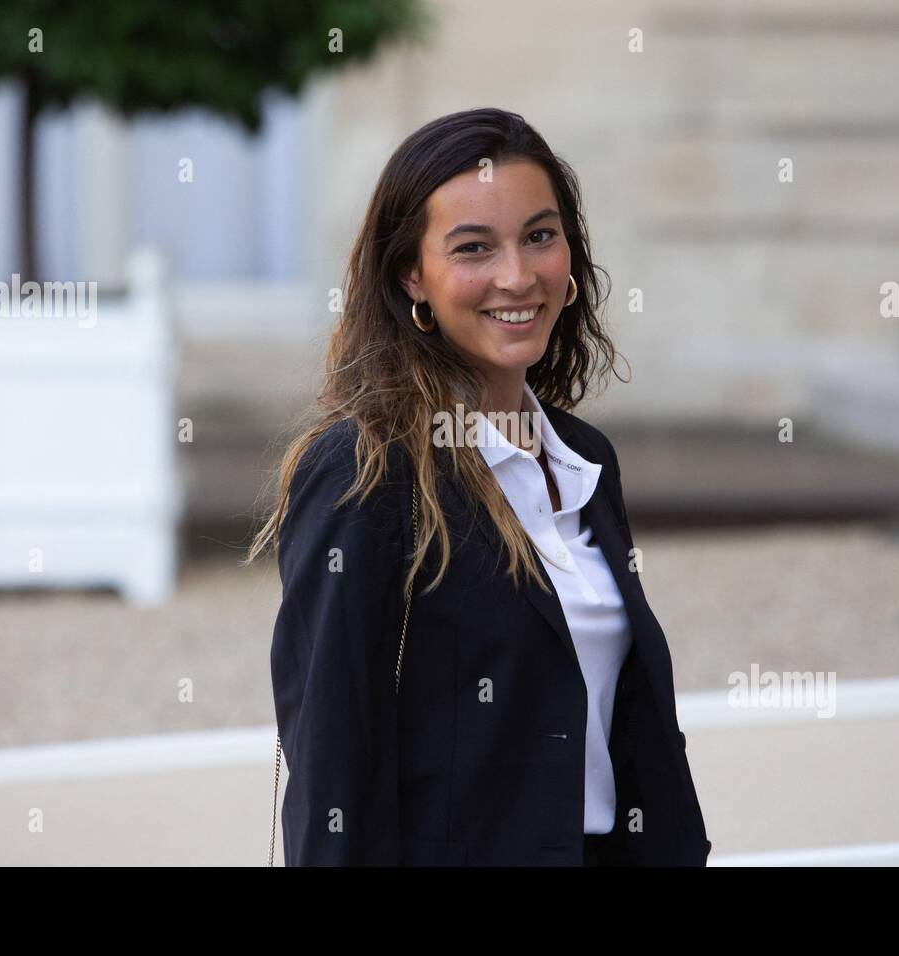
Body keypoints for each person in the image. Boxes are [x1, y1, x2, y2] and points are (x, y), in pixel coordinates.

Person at [246, 107, 711, 866]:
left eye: (539, 235)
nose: (518, 276)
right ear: (411, 277)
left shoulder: (584, 460)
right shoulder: (364, 470)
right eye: (473, 248)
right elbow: (333, 763)